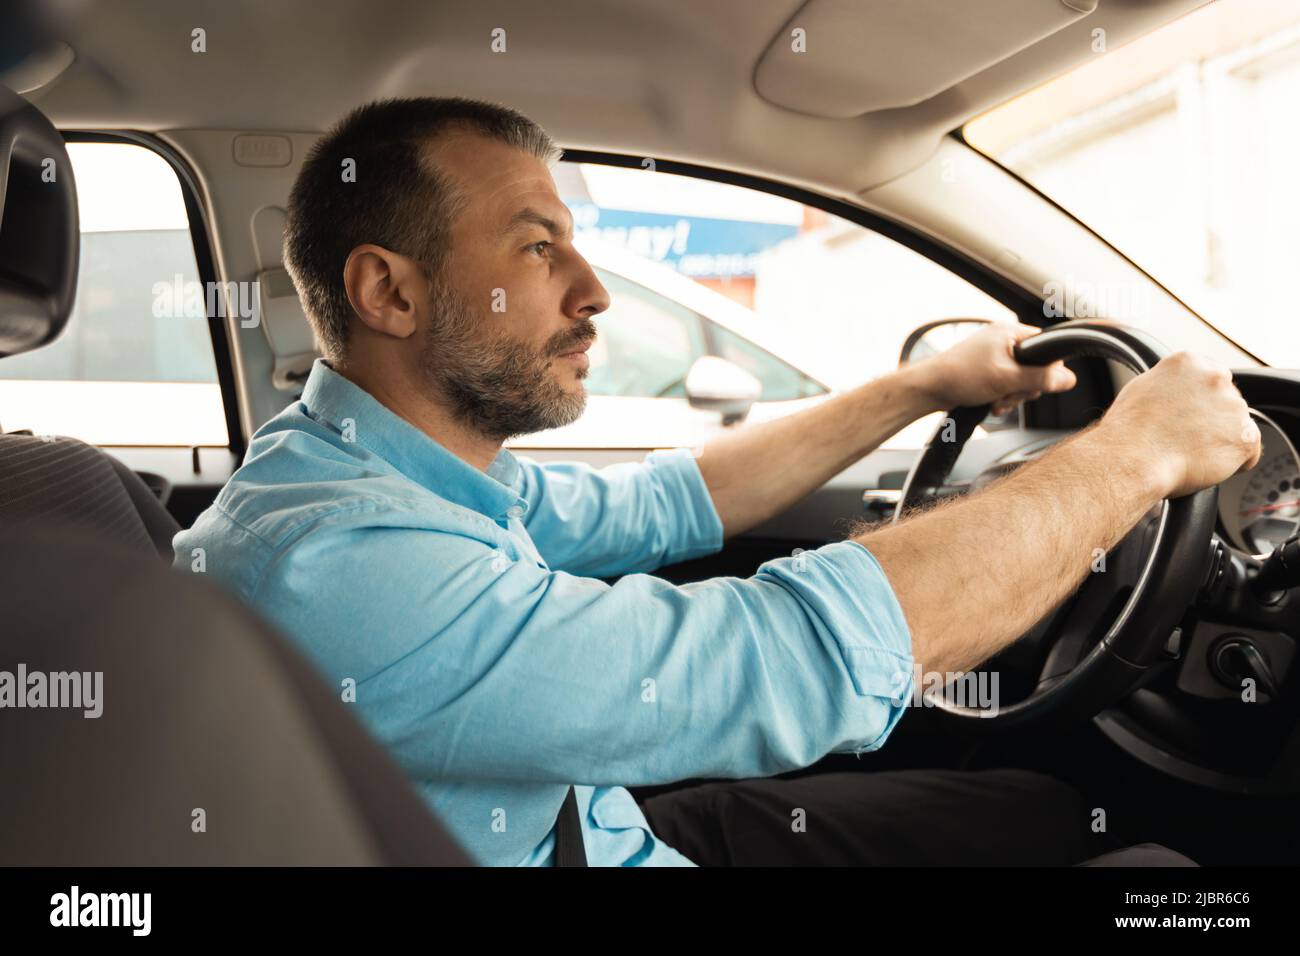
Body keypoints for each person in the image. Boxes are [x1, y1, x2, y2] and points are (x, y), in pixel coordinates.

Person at [174, 97, 1260, 866]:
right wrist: (1132, 457)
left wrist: (921, 384)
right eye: (538, 246)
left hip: (590, 824)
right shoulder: (340, 562)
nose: (594, 290)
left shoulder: (389, 475)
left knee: (1044, 808)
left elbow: (672, 501)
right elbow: (779, 663)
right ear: (389, 293)